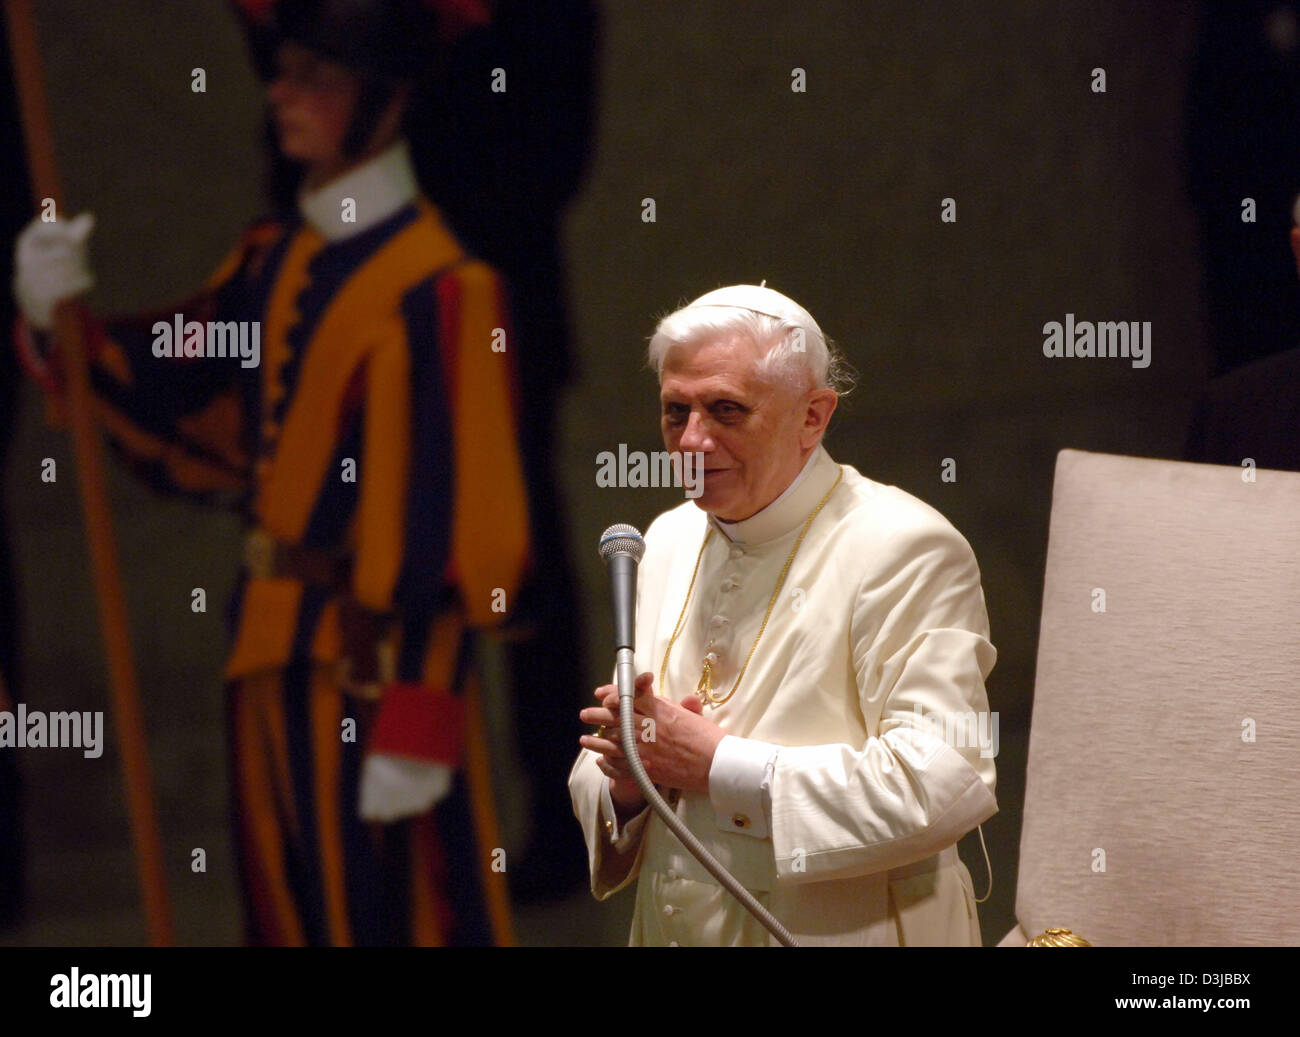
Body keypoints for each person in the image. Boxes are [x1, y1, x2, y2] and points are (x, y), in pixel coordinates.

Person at [12, 0, 528, 945]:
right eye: (281, 73)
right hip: (267, 654)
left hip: (373, 677)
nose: (283, 96)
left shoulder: (444, 287)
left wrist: (420, 712)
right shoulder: (277, 259)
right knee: (286, 916)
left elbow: (463, 524)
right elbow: (182, 387)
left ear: (381, 97)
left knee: (392, 918)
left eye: (315, 78)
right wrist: (65, 326)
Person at [568, 284, 997, 946]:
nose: (691, 440)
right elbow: (627, 761)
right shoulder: (666, 539)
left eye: (725, 411)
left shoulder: (904, 545)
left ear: (813, 417)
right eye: (674, 411)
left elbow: (943, 779)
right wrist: (626, 783)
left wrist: (717, 765)